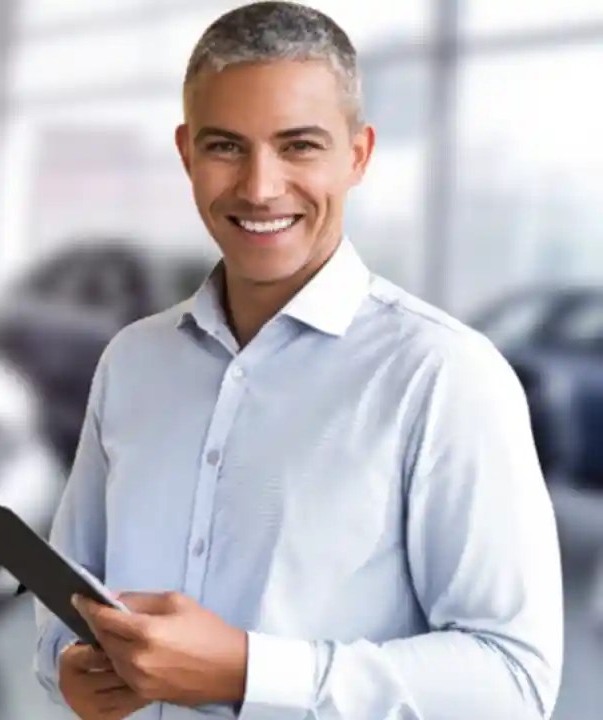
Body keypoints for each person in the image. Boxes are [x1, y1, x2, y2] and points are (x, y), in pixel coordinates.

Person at [31, 2, 563, 718]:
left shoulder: (444, 376)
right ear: (186, 153)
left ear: (358, 155)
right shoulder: (132, 361)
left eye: (299, 146)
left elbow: (513, 682)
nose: (259, 187)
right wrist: (65, 664)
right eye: (226, 147)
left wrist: (248, 672)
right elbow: (68, 594)